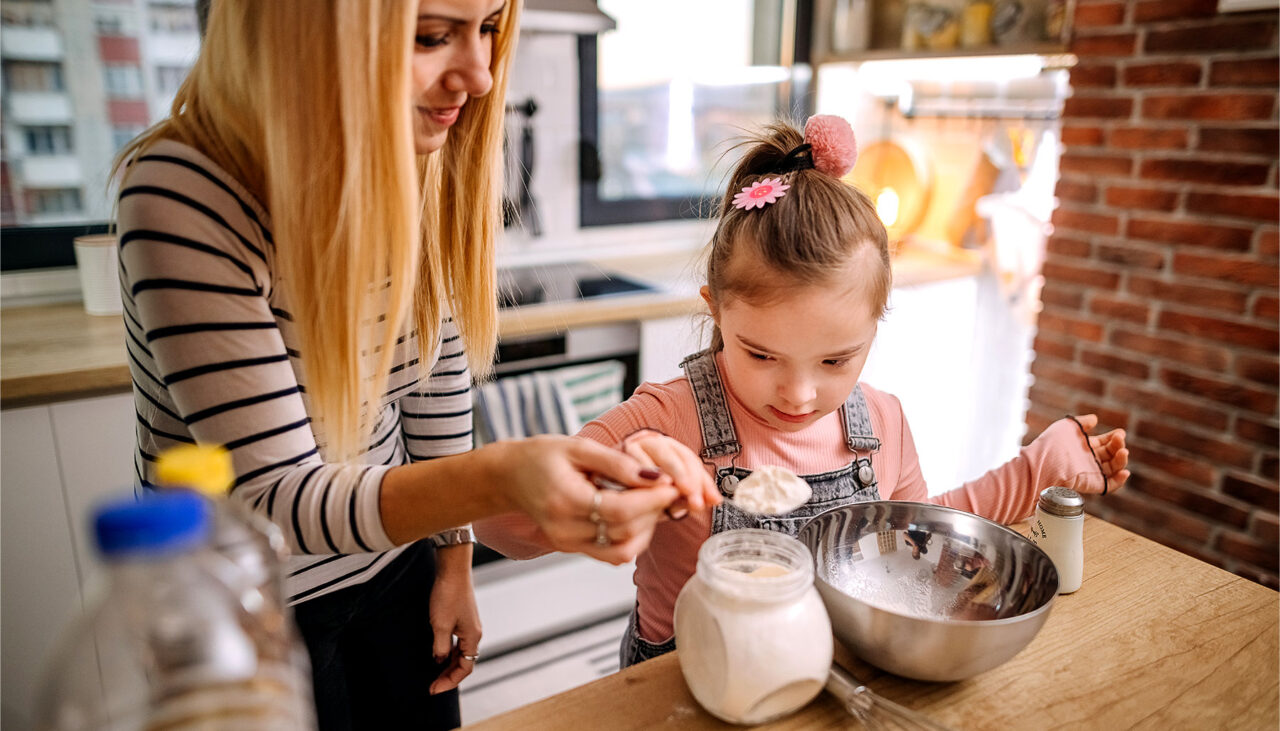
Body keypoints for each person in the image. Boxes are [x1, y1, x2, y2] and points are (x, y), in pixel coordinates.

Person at [112, 2, 712, 728]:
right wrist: (498, 473)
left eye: (489, 26)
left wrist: (452, 556)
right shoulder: (184, 191)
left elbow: (432, 374)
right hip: (249, 609)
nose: (481, 75)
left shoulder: (412, 152)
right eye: (432, 36)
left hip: (395, 569)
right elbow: (274, 499)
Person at [474, 115, 1131, 668]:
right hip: (686, 682)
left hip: (826, 673)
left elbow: (921, 546)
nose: (797, 392)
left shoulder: (881, 421)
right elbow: (501, 524)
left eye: (837, 358)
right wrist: (599, 492)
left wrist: (1040, 466)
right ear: (717, 309)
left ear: (876, 327)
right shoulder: (670, 418)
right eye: (760, 353)